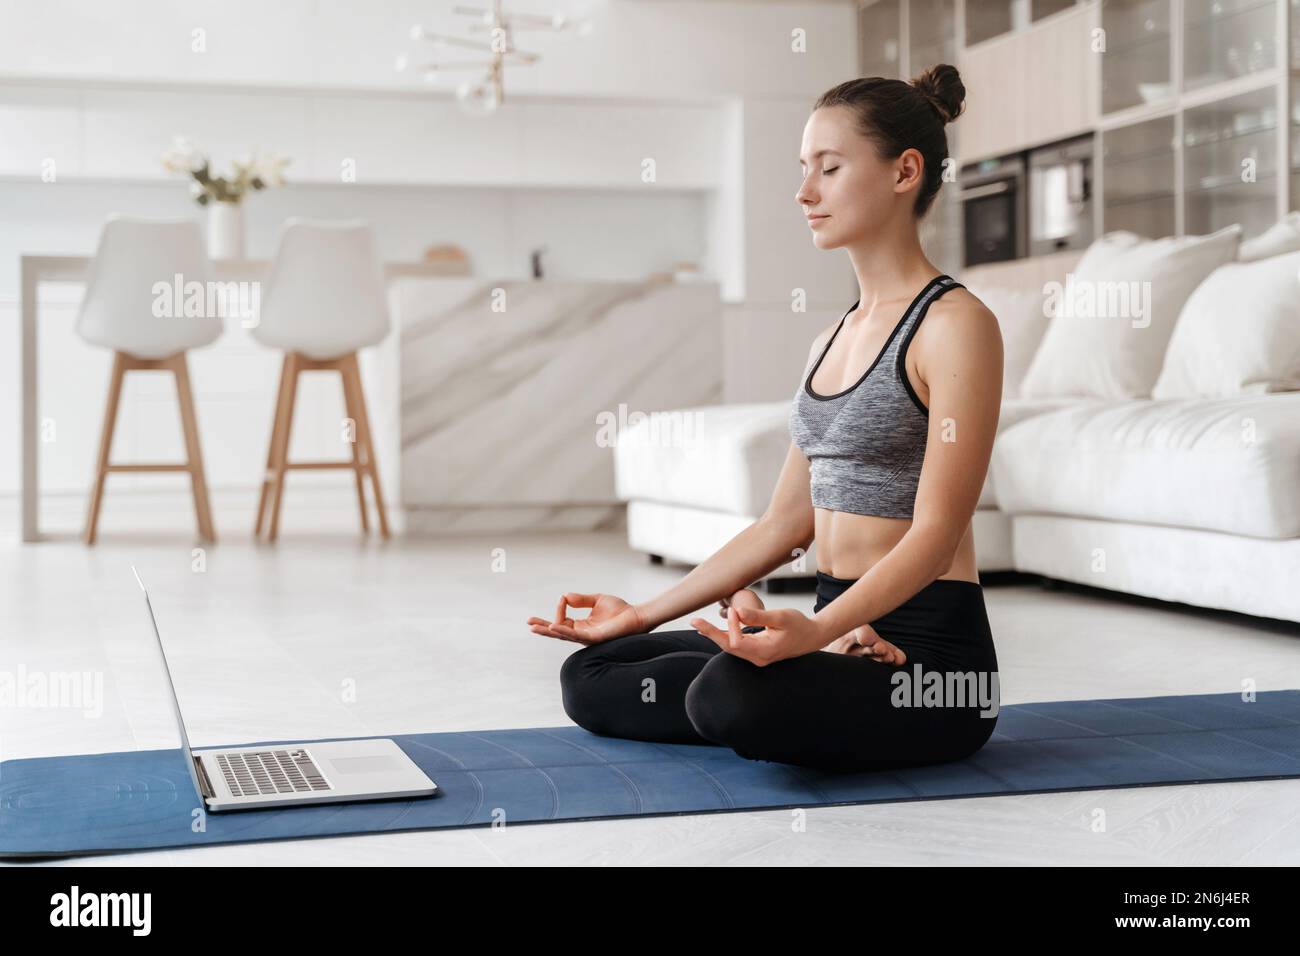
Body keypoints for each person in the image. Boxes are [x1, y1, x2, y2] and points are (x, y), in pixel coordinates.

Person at [528, 64, 1005, 774]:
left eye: (830, 168)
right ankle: (805, 674)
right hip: (835, 633)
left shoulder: (955, 325)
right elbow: (784, 527)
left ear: (905, 171)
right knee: (592, 675)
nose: (804, 192)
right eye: (803, 169)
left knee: (729, 695)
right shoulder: (830, 340)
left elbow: (936, 537)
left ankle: (803, 676)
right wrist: (641, 615)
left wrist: (815, 632)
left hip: (932, 669)